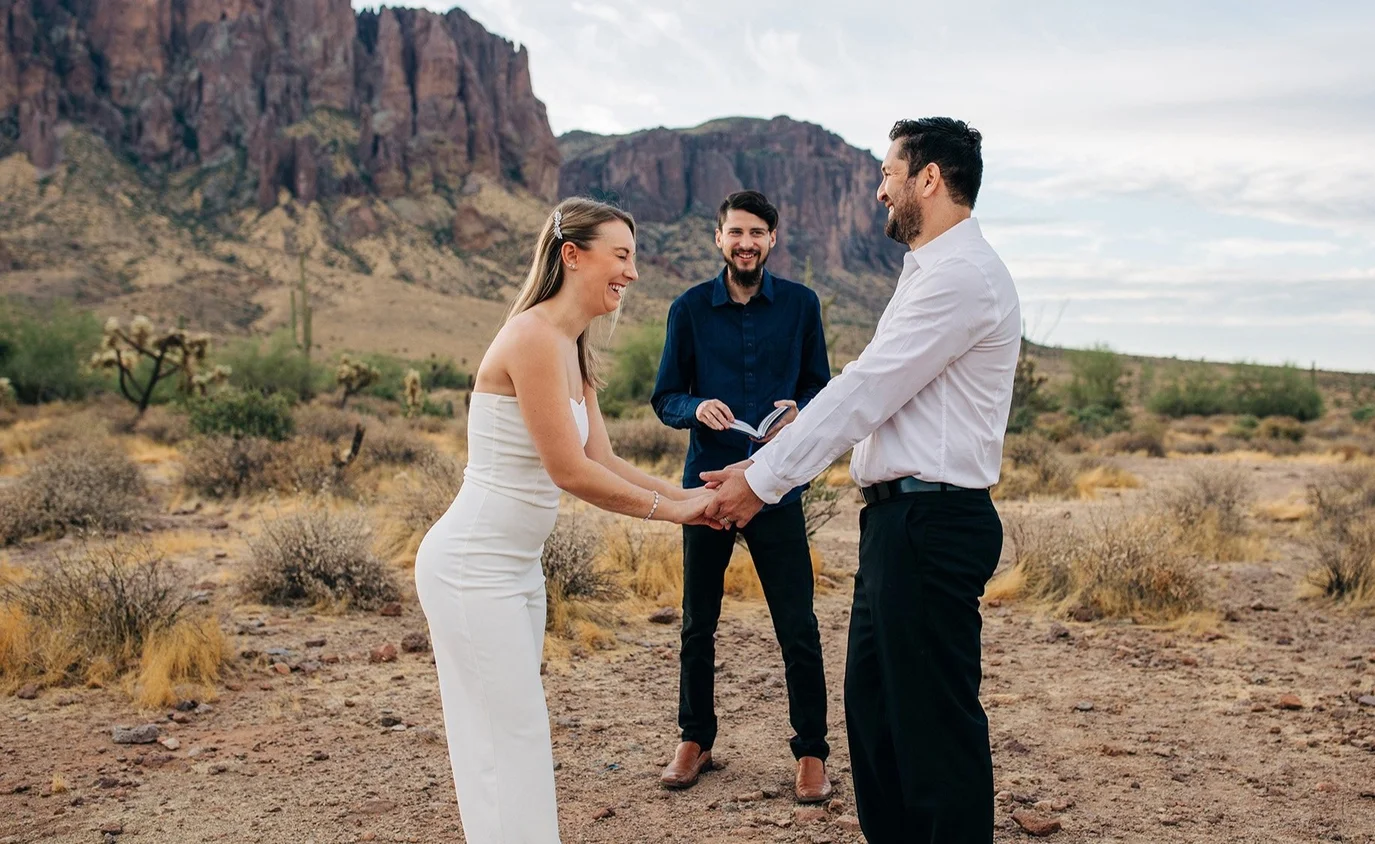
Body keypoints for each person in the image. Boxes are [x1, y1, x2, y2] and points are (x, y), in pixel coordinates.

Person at [702, 118, 1021, 843]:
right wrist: (759, 462)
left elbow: (869, 387)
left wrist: (764, 483)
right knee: (877, 721)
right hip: (896, 525)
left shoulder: (962, 278)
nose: (879, 189)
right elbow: (869, 392)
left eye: (888, 173)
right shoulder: (930, 275)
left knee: (934, 730)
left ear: (929, 178)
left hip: (932, 525)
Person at [414, 197, 719, 844]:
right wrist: (679, 513)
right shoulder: (530, 337)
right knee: (505, 733)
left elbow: (603, 457)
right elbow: (571, 474)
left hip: (517, 568)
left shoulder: (570, 346)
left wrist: (691, 499)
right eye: (621, 256)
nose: (632, 274)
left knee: (515, 732)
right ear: (571, 255)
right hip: (472, 567)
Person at [650, 190, 834, 801]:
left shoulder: (802, 307)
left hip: (775, 486)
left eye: (757, 233)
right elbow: (665, 397)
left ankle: (811, 751)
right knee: (699, 622)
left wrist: (797, 412)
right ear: (718, 239)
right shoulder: (688, 310)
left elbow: (820, 387)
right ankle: (694, 739)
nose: (746, 243)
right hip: (707, 486)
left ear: (772, 239)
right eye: (736, 233)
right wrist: (694, 406)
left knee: (797, 625)